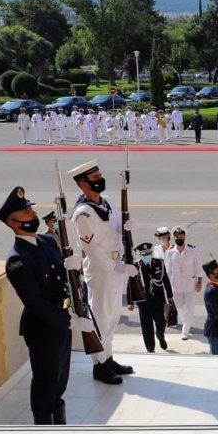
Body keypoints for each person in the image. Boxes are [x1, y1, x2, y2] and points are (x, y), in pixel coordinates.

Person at [0, 186, 86, 424]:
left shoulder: (47, 241)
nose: (32, 214)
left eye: (31, 209)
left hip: (62, 321)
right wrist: (68, 320)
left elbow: (63, 280)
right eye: (25, 213)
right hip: (43, 328)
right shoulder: (16, 260)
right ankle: (44, 428)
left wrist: (75, 270)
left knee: (60, 378)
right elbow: (35, 303)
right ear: (12, 223)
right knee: (46, 381)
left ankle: (60, 423)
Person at [68, 159, 138, 385]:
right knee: (100, 318)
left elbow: (115, 226)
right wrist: (117, 267)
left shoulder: (106, 201)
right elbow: (93, 250)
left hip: (116, 270)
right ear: (83, 184)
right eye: (95, 178)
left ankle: (108, 357)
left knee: (112, 317)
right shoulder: (83, 214)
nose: (101, 179)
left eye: (100, 175)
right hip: (100, 272)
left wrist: (127, 227)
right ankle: (99, 364)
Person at [165, 226, 204, 341]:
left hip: (190, 283)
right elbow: (168, 270)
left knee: (190, 308)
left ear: (185, 237)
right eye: (177, 237)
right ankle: (185, 322)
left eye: (181, 236)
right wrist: (167, 287)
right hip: (176, 284)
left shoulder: (193, 251)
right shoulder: (170, 253)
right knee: (180, 307)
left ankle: (185, 330)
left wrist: (199, 282)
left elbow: (198, 267)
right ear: (174, 238)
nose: (179, 238)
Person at [135, 242, 172, 353]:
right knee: (146, 327)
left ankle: (160, 336)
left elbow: (165, 279)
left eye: (148, 253)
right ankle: (150, 349)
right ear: (141, 254)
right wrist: (130, 302)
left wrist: (170, 295)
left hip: (158, 300)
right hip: (143, 301)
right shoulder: (137, 266)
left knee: (161, 322)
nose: (146, 255)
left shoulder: (159, 262)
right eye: (144, 253)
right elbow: (131, 283)